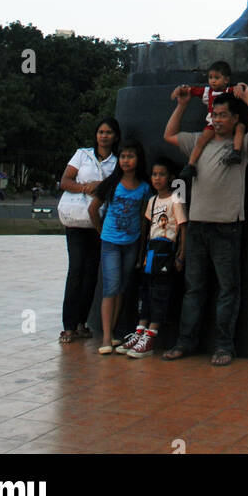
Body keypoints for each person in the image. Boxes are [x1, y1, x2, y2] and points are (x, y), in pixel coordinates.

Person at [162, 84, 248, 366]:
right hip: (197, 226)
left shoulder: (242, 146)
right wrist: (182, 105)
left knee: (227, 290)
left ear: (235, 119)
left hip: (227, 227)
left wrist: (246, 97)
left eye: (224, 115)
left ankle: (223, 346)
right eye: (216, 114)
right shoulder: (200, 141)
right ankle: (185, 342)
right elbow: (169, 135)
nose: (219, 120)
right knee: (194, 289)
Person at [117, 155, 187, 358]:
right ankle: (140, 330)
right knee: (145, 292)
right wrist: (142, 256)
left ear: (170, 177)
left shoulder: (175, 200)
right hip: (151, 252)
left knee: (160, 293)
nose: (157, 178)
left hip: (166, 250)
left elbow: (183, 229)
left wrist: (181, 255)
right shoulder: (152, 200)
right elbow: (147, 229)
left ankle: (151, 334)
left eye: (162, 174)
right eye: (154, 174)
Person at [58, 117, 120, 344]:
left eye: (108, 132)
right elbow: (65, 180)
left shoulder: (116, 161)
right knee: (76, 269)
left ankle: (82, 322)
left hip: (98, 221)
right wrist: (85, 188)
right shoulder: (82, 154)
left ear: (115, 136)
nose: (104, 136)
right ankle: (68, 325)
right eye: (101, 132)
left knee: (91, 272)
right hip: (76, 219)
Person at [89, 140, 150, 354]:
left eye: (130, 156)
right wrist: (101, 232)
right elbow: (93, 208)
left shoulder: (144, 187)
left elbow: (144, 218)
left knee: (122, 287)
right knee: (111, 287)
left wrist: (141, 246)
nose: (126, 160)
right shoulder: (112, 183)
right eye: (123, 157)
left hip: (131, 242)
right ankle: (106, 336)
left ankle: (113, 331)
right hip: (111, 242)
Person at [178, 61, 245, 177]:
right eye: (210, 77)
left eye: (217, 77)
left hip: (230, 123)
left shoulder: (229, 91)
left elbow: (241, 89)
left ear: (226, 80)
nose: (213, 80)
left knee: (240, 127)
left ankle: (236, 152)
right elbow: (191, 90)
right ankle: (191, 164)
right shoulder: (207, 91)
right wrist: (181, 89)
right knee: (201, 140)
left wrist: (240, 86)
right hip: (212, 124)